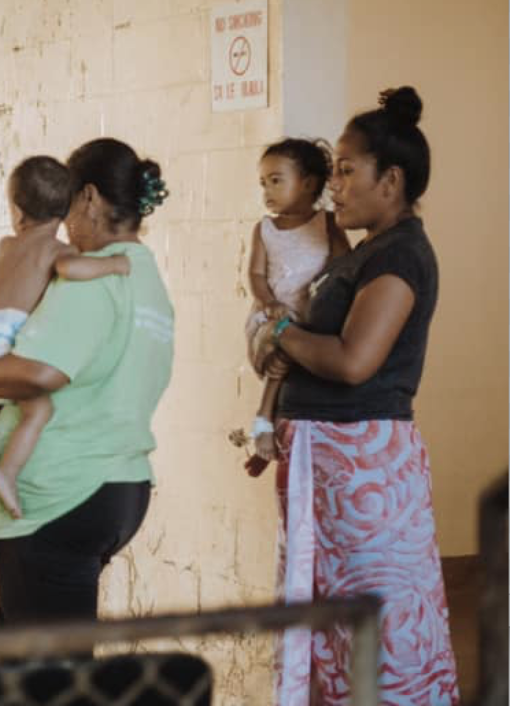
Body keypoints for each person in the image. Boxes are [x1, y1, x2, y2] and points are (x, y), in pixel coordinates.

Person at [253, 87, 459, 705]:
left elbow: (353, 361)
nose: (332, 186)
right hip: (330, 467)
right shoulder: (367, 252)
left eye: (346, 171)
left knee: (379, 631)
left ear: (390, 179)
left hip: (364, 469)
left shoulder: (398, 256)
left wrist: (282, 330)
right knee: (335, 631)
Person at [0, 138, 174, 624]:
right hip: (119, 484)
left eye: (69, 207)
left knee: (47, 673)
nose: (63, 221)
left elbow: (37, 372)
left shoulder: (91, 280)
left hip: (62, 491)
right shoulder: (146, 278)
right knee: (19, 651)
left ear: (88, 198)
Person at [0, 155, 131, 519]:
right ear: (67, 210)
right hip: (6, 340)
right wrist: (112, 264)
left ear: (17, 212)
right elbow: (72, 269)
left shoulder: (7, 246)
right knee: (38, 408)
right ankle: (6, 470)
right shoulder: (58, 250)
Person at [242, 138, 349, 476]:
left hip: (310, 316)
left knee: (295, 361)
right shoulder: (265, 229)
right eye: (263, 183)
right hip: (272, 319)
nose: (267, 191)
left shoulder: (328, 224)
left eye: (276, 180)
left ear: (308, 184)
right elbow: (256, 275)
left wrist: (325, 298)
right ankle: (263, 423)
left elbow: (343, 263)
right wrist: (269, 302)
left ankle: (266, 431)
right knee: (284, 353)